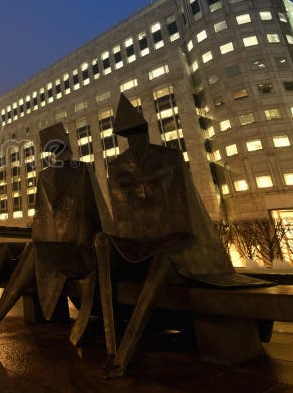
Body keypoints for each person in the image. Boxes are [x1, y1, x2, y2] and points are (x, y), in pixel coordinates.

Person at [96, 94, 270, 378]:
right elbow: (122, 216)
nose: (133, 139)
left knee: (164, 256)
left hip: (174, 244)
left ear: (145, 132)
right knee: (101, 242)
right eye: (128, 134)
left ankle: (123, 355)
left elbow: (184, 211)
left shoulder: (168, 157)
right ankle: (111, 345)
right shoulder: (117, 166)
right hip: (138, 243)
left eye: (136, 132)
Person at [0, 123, 110, 344]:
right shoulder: (46, 177)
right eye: (53, 150)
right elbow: (41, 222)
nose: (56, 155)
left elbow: (99, 217)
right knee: (5, 249)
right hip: (51, 247)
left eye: (58, 149)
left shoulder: (82, 170)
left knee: (33, 249)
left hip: (77, 250)